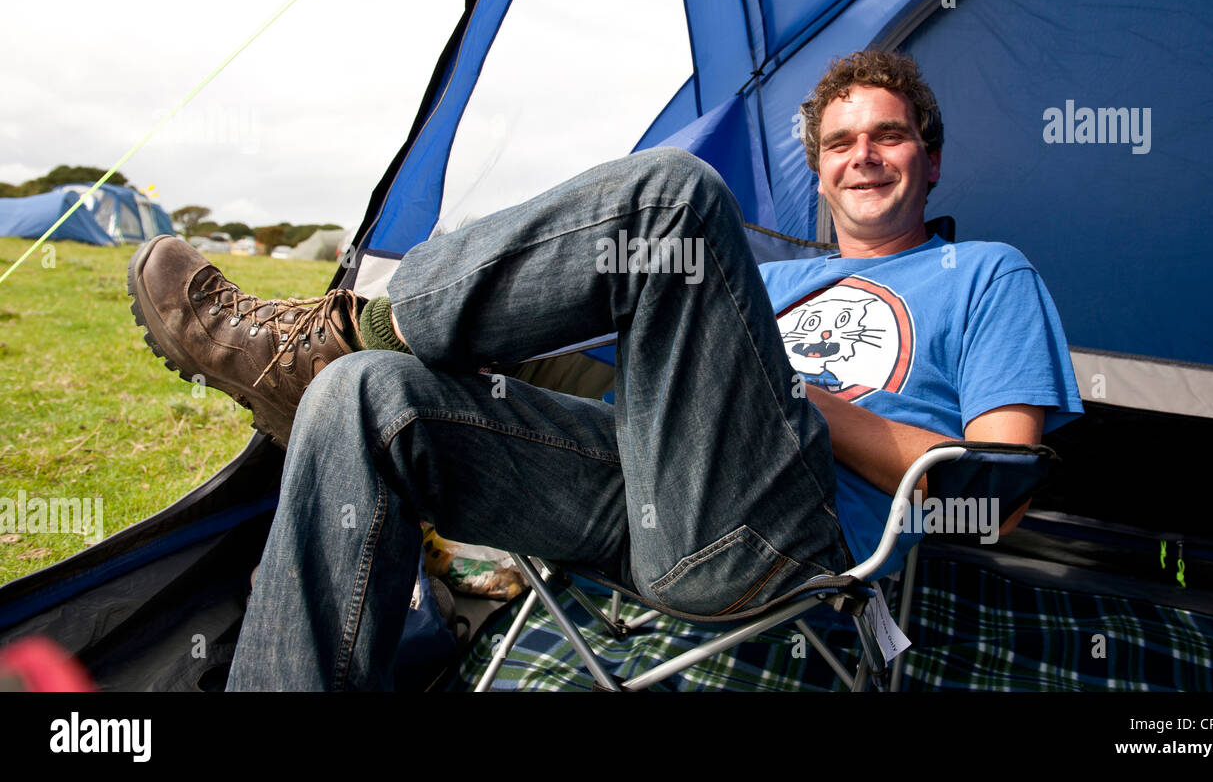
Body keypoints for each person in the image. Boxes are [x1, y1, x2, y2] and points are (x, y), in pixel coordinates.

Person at [128, 49, 1081, 690]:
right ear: (819, 171)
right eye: (840, 142)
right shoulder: (773, 275)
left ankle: (352, 327)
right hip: (644, 488)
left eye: (888, 136)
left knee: (674, 196)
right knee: (365, 399)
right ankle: (346, 357)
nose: (862, 157)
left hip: (790, 536)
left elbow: (994, 498)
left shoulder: (986, 274)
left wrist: (799, 399)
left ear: (933, 160)